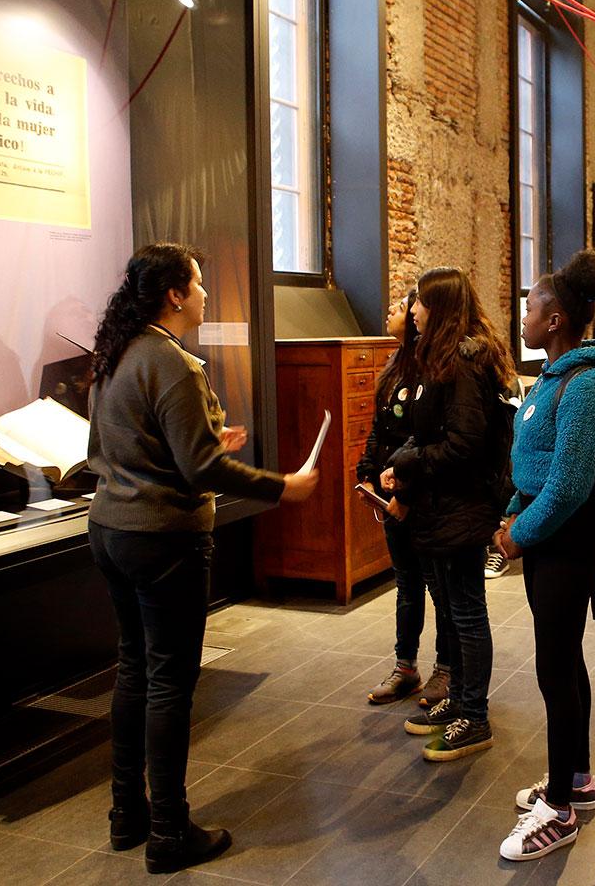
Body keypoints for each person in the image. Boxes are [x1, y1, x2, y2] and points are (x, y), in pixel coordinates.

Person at [86, 243, 318, 875]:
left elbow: (112, 448)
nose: (207, 294)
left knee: (133, 672)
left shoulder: (115, 356)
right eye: (199, 282)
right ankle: (167, 833)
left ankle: (126, 814)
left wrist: (204, 443)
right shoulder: (173, 363)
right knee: (169, 683)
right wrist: (282, 486)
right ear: (174, 295)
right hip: (163, 539)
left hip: (110, 532)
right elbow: (200, 467)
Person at [492, 249, 595, 862]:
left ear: (555, 320)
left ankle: (556, 810)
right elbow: (531, 468)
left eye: (530, 307)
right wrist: (512, 509)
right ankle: (576, 779)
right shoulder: (552, 377)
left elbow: (568, 484)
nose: (522, 316)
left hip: (568, 543)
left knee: (555, 671)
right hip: (545, 537)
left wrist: (516, 535)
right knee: (564, 662)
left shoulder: (583, 385)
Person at [381, 266, 515, 761]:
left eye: (418, 302)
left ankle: (474, 716)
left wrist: (411, 460)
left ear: (437, 308)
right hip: (441, 507)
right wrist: (401, 462)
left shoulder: (463, 361)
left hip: (461, 507)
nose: (411, 309)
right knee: (453, 611)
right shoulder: (438, 358)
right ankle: (459, 701)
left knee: (467, 613)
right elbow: (431, 431)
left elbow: (463, 443)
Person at [357, 289, 452, 707]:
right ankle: (405, 668)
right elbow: (379, 427)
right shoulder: (394, 365)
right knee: (407, 585)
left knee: (438, 587)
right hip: (390, 491)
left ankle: (446, 671)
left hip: (421, 496)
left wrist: (407, 490)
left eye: (403, 306)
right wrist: (367, 473)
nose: (398, 312)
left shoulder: (433, 369)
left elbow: (425, 441)